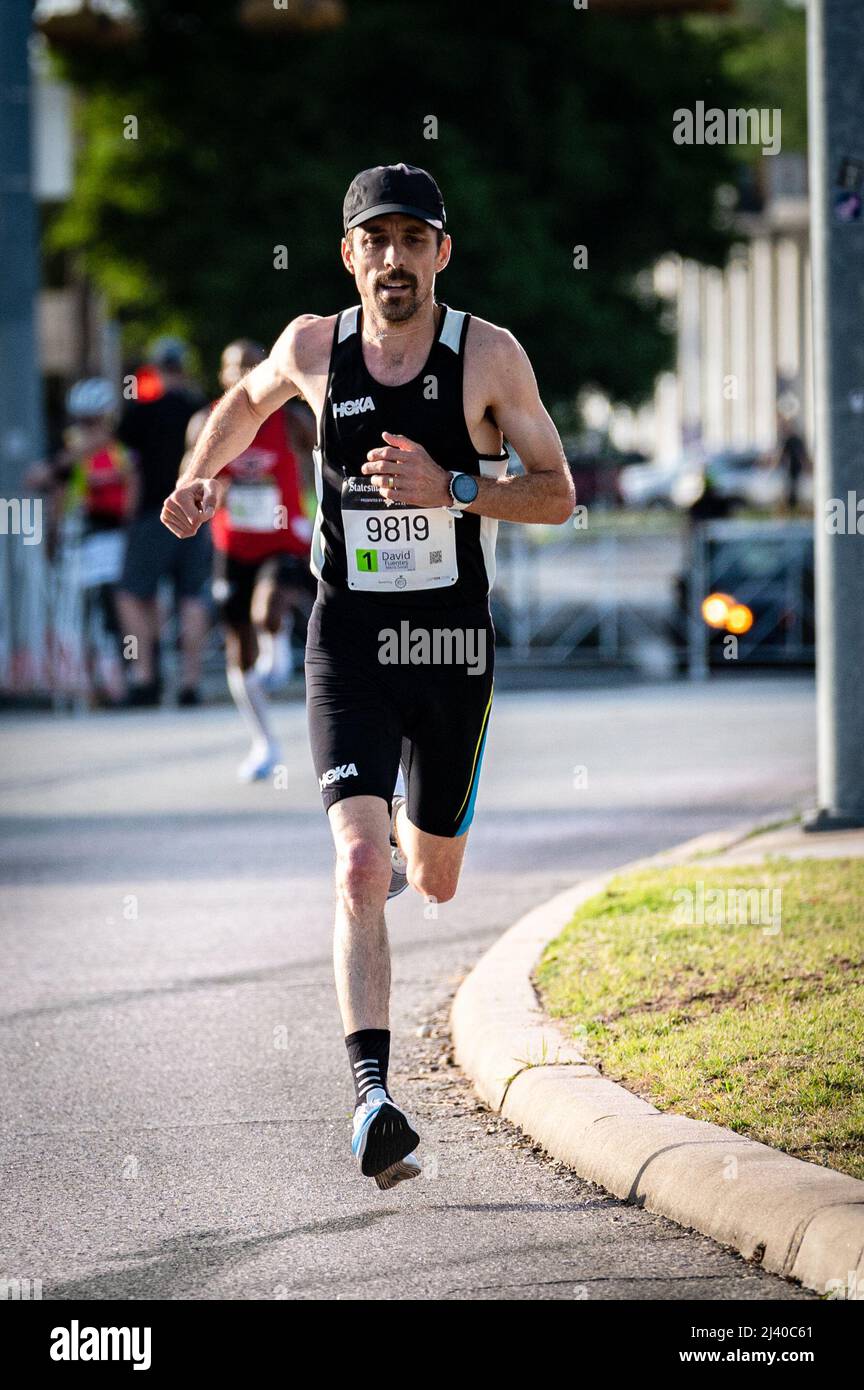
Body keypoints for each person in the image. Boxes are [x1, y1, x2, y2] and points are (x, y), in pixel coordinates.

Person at [160, 164, 574, 1189]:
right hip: (347, 639)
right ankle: (374, 1100)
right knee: (356, 866)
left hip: (448, 648)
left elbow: (560, 492)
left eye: (413, 240)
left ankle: (397, 844)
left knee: (427, 878)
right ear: (349, 255)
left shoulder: (489, 355)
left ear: (442, 252)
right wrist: (200, 476)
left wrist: (458, 486)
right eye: (374, 242)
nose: (394, 259)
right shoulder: (313, 345)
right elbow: (244, 401)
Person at [185, 339, 317, 781]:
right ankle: (264, 742)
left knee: (270, 607)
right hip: (233, 546)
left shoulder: (292, 419)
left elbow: (332, 458)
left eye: (250, 364)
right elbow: (193, 475)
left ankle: (279, 652)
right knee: (238, 645)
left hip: (282, 539)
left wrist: (321, 516)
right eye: (232, 366)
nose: (242, 371)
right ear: (223, 375)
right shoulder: (208, 422)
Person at [25, 377, 136, 705]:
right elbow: (48, 485)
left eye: (94, 419)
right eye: (83, 419)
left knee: (111, 611)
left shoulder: (119, 449)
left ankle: (121, 678)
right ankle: (84, 682)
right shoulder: (68, 448)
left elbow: (130, 488)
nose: (88, 427)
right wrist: (51, 534)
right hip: (77, 540)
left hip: (111, 538)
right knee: (78, 615)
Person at [115, 338, 209, 706]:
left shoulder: (141, 413)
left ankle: (144, 677)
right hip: (197, 514)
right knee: (192, 597)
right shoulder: (200, 409)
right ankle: (190, 681)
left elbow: (132, 470)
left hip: (154, 513)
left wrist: (129, 517)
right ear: (183, 368)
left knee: (132, 592)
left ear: (155, 369)